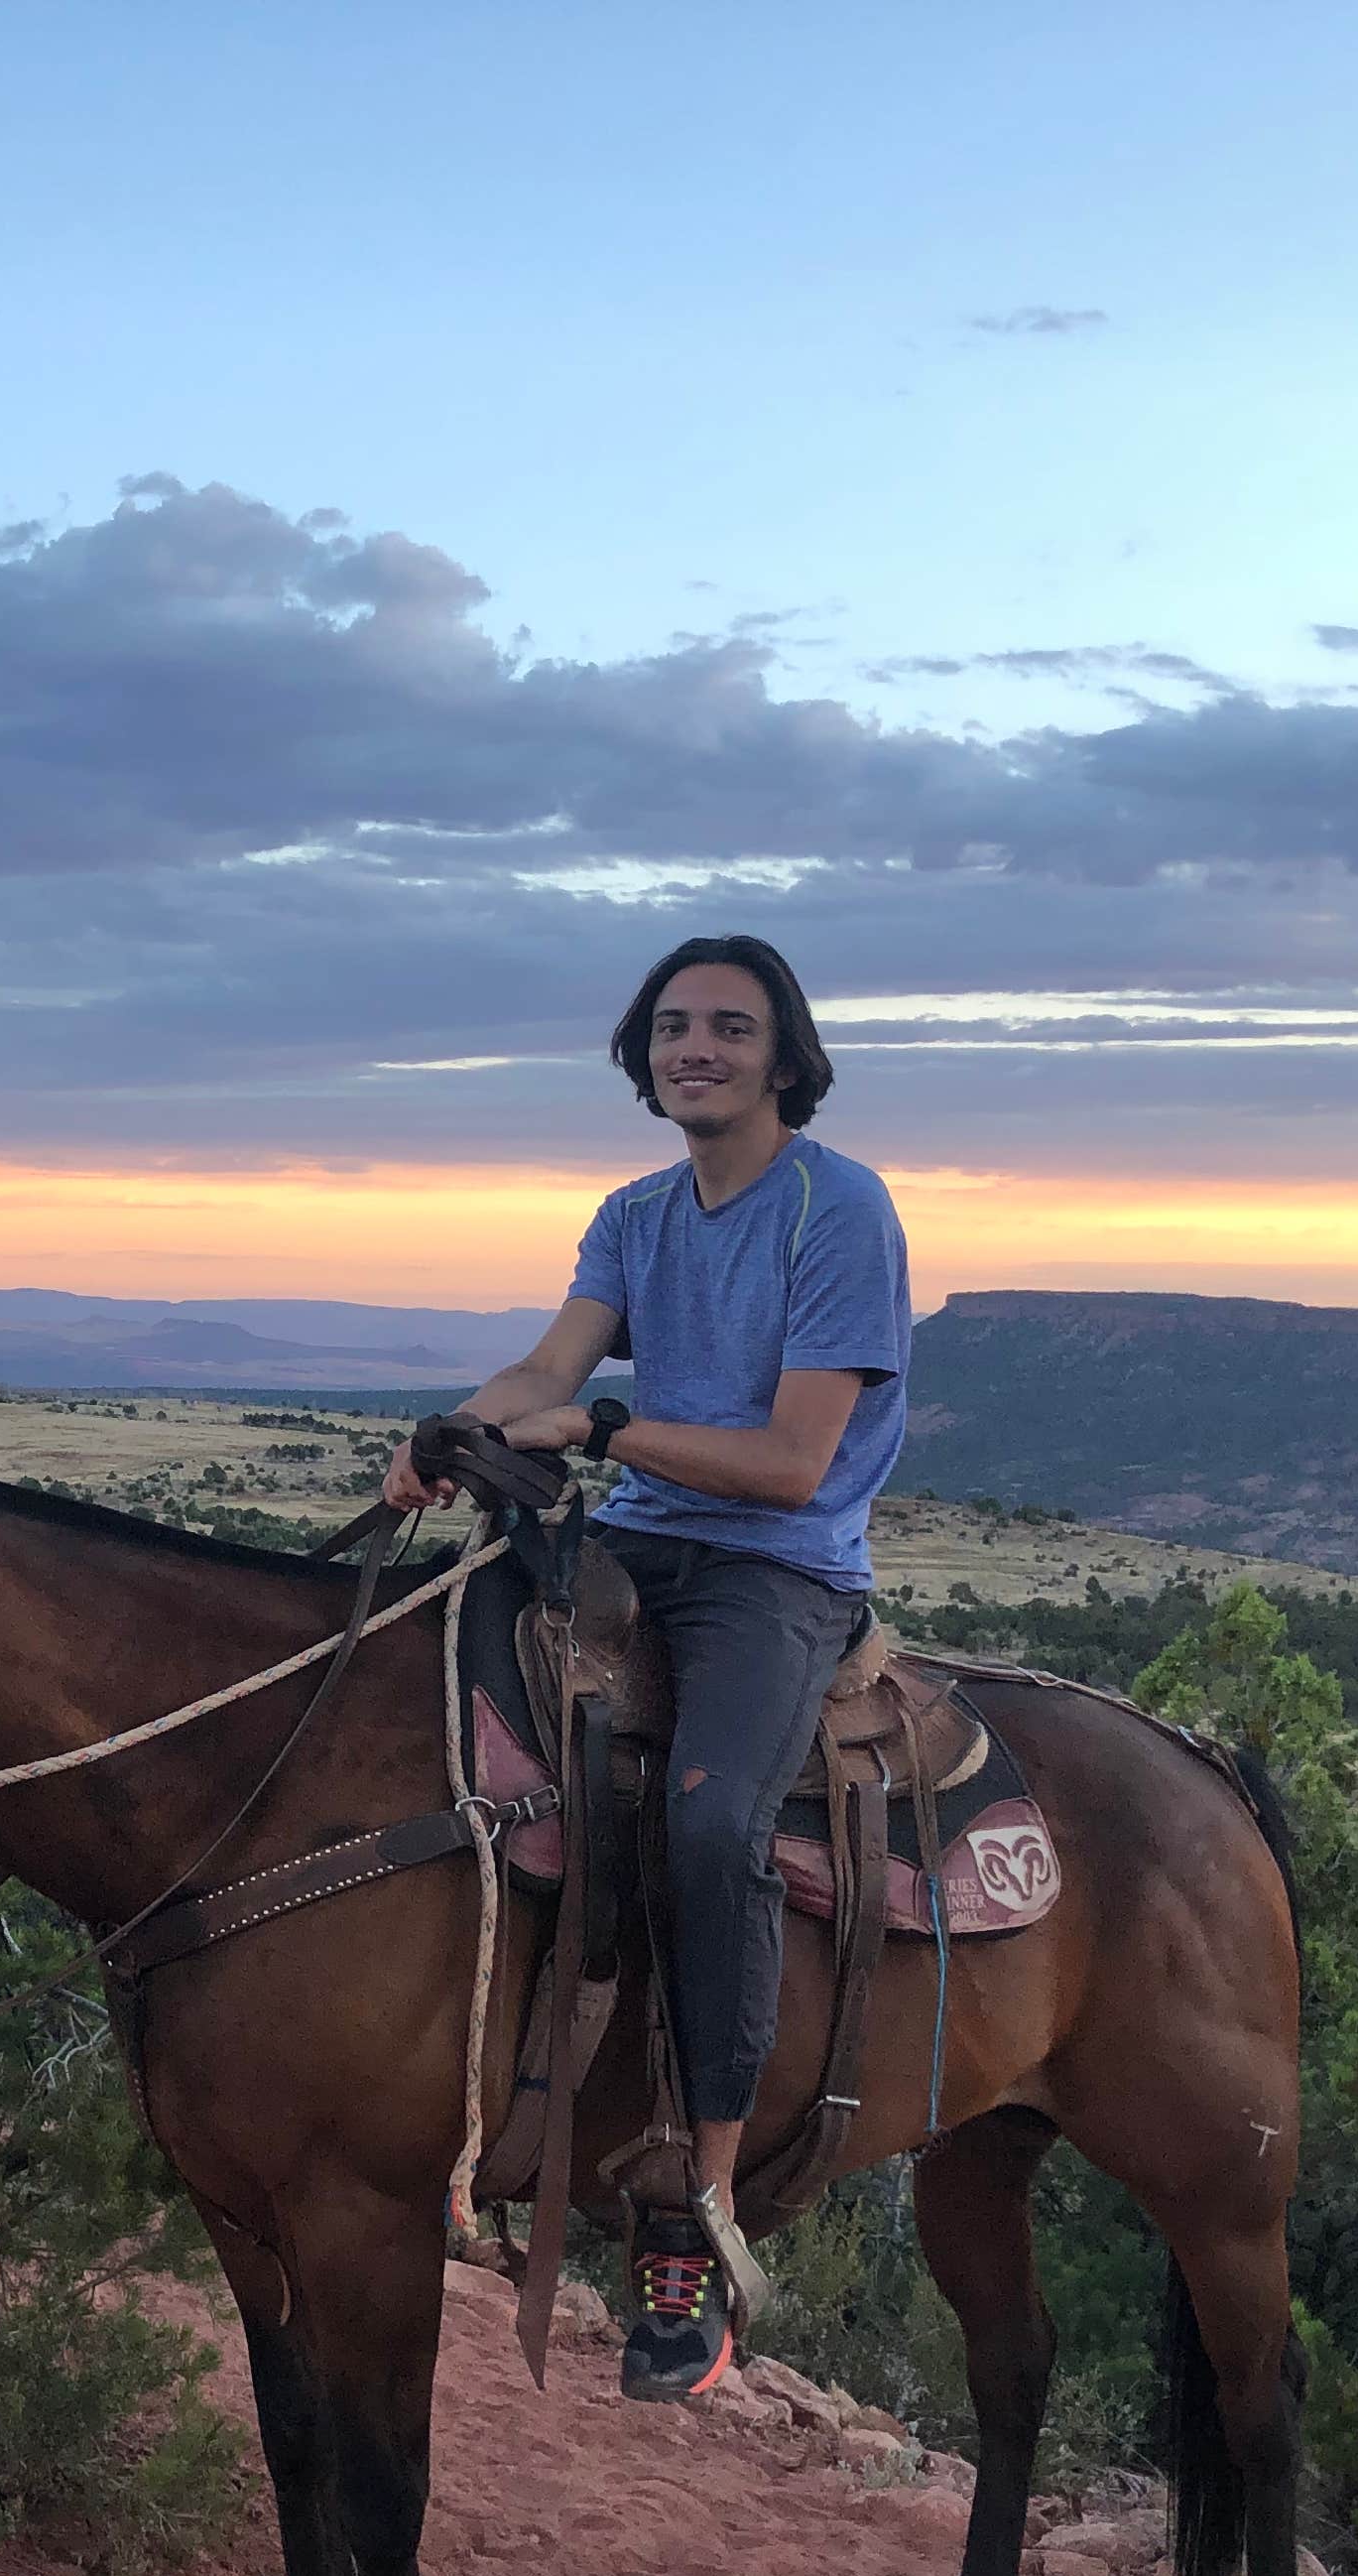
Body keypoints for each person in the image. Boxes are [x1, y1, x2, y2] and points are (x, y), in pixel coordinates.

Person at [382, 934, 909, 2401]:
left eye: (730, 1029)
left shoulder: (839, 1210)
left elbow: (797, 1466)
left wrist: (609, 1436)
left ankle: (699, 2198)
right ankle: (470, 2111)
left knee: (706, 1820)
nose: (698, 1048)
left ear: (783, 1054)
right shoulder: (635, 1213)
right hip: (639, 1542)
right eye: (675, 1027)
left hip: (773, 1570)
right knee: (436, 1726)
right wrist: (455, 1427)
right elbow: (553, 1370)